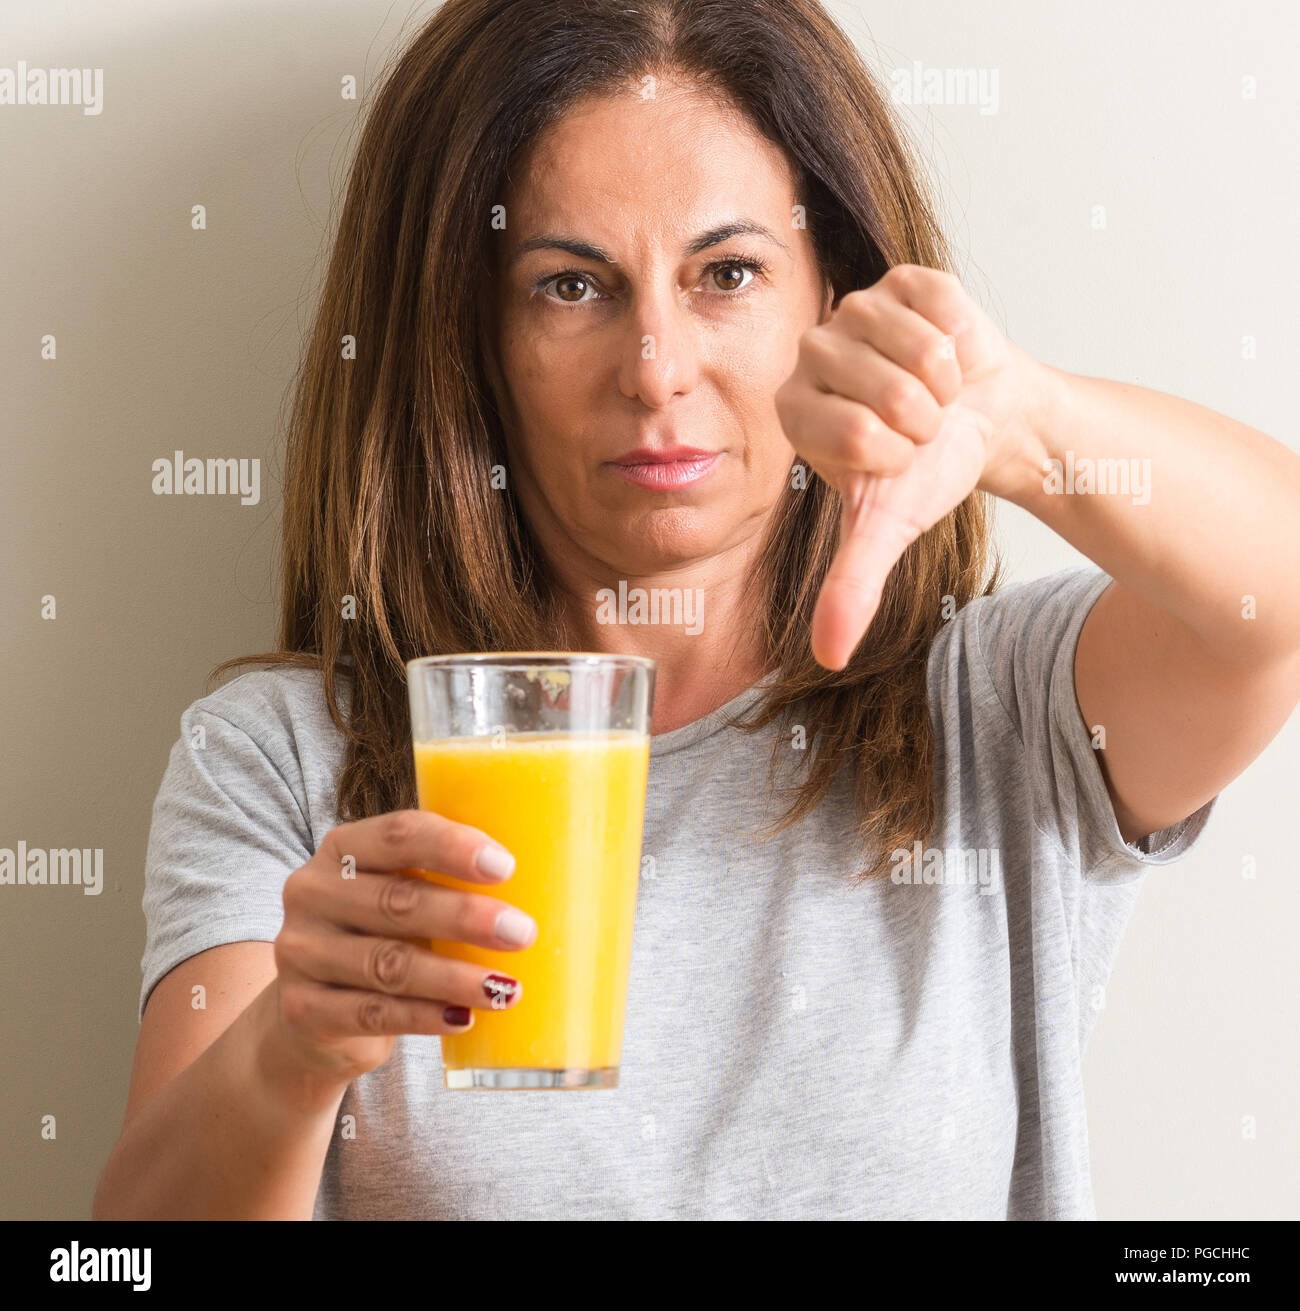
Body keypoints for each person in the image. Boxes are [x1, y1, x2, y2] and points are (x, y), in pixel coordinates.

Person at [94, 0, 1300, 1220]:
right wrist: (286, 1057)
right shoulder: (286, 758)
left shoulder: (996, 711)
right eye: (571, 286)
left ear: (830, 298)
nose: (656, 367)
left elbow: (1276, 600)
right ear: (472, 337)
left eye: (727, 273)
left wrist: (1023, 421)